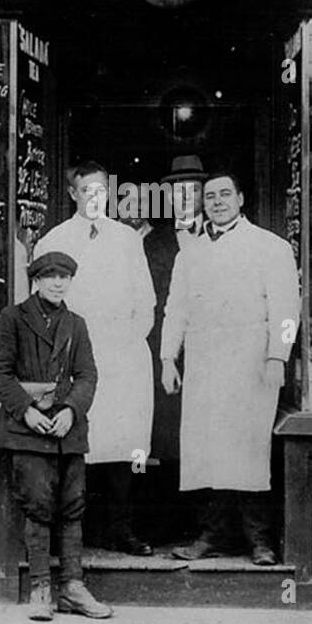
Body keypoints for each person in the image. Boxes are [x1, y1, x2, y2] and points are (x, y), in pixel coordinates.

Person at [160, 171, 300, 566]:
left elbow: (287, 308)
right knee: (207, 449)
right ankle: (212, 535)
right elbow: (177, 308)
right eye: (210, 196)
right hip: (204, 363)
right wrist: (168, 357)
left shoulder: (269, 247)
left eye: (225, 194)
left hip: (251, 362)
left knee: (249, 449)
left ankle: (260, 540)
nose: (217, 201)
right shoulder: (190, 252)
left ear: (241, 198)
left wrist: (278, 355)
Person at [34, 161, 157, 556]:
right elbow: (43, 305)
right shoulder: (54, 239)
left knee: (125, 444)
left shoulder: (126, 238)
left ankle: (121, 529)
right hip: (74, 358)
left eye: (101, 190)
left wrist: (129, 341)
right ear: (73, 194)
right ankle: (77, 532)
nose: (94, 197)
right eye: (86, 190)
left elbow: (146, 300)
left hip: (123, 357)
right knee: (78, 444)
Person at [0, 250, 113, 620]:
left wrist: (72, 410)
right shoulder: (12, 319)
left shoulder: (76, 324)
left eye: (64, 277)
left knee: (73, 505)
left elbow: (88, 375)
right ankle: (41, 588)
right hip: (27, 429)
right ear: (36, 281)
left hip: (66, 430)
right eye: (50, 276)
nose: (58, 283)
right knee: (37, 505)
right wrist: (25, 409)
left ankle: (73, 586)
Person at [142, 155, 208, 533]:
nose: (185, 196)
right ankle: (171, 521)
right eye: (177, 190)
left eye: (193, 189)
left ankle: (208, 524)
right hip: (164, 351)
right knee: (167, 434)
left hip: (213, 350)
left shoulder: (223, 235)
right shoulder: (154, 243)